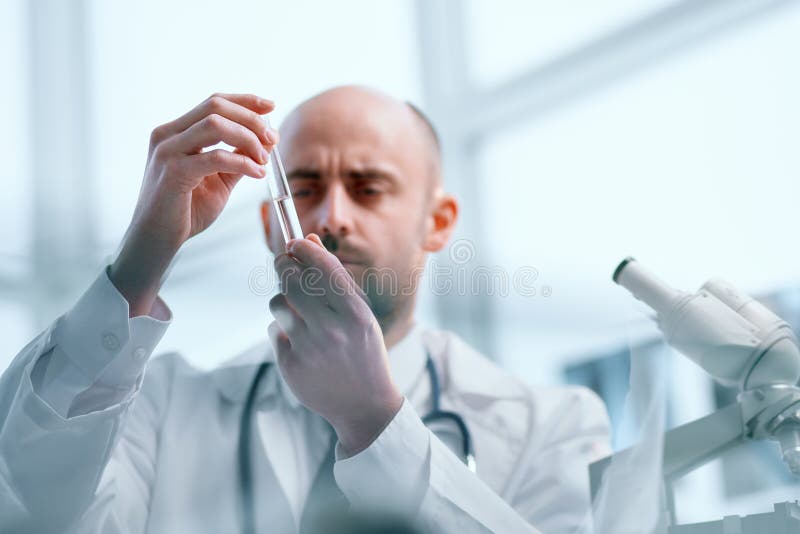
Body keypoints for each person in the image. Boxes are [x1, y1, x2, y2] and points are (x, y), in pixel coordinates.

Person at [0, 86, 611, 534]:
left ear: (438, 223)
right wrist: (137, 266)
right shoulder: (164, 404)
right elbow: (33, 498)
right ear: (272, 223)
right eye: (307, 188)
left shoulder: (551, 424)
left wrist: (374, 422)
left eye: (369, 187)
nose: (331, 218)